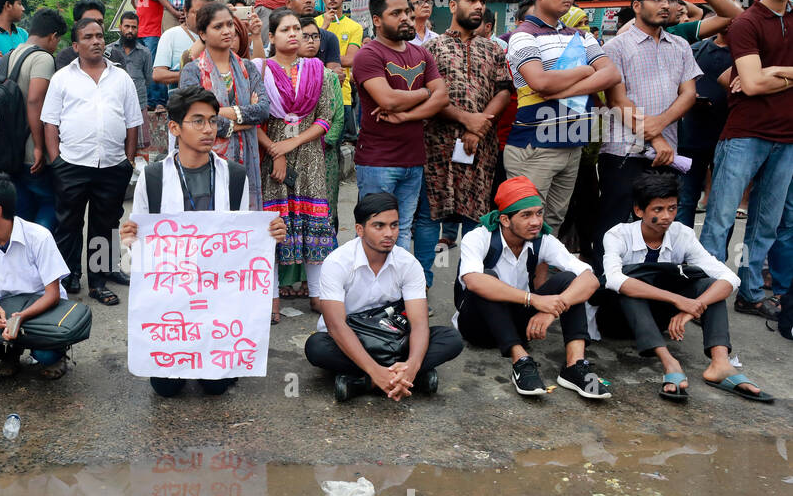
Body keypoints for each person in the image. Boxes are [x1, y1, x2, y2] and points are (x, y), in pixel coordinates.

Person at [120, 86, 287, 396]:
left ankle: (216, 357)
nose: (209, 129)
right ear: (174, 128)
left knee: (216, 386)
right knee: (166, 389)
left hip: (219, 297)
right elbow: (140, 247)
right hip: (172, 301)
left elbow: (244, 242)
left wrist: (270, 234)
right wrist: (130, 239)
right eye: (197, 121)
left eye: (212, 120)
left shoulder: (235, 176)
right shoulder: (153, 178)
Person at [602, 172, 770, 402]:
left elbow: (729, 278)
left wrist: (693, 306)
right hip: (617, 319)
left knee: (709, 286)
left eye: (672, 208)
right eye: (658, 210)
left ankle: (720, 363)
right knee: (631, 286)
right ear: (639, 211)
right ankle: (669, 361)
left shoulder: (683, 234)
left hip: (658, 316)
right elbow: (614, 280)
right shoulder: (618, 235)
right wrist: (677, 300)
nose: (667, 217)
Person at [700, 0, 793, 320]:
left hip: (787, 138)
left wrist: (774, 73)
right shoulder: (747, 22)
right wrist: (767, 77)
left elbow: (757, 79)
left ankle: (751, 293)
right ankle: (705, 294)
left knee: (765, 225)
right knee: (720, 220)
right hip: (744, 134)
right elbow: (751, 85)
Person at [455, 176, 608, 399]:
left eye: (538, 213)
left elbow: (590, 278)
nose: (536, 221)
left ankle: (575, 366)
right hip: (479, 325)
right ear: (505, 220)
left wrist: (553, 308)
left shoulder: (542, 239)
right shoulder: (478, 237)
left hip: (518, 320)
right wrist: (534, 300)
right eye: (526, 215)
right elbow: (473, 281)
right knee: (485, 279)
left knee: (568, 279)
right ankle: (521, 361)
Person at [305, 192, 464, 401]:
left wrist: (412, 366)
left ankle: (365, 383)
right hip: (352, 338)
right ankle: (405, 379)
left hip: (393, 338)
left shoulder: (408, 264)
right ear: (359, 230)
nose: (389, 233)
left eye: (394, 225)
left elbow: (419, 324)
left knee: (451, 339)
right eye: (379, 226)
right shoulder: (337, 263)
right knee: (316, 347)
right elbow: (336, 326)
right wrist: (377, 370)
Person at [505, 0, 622, 232]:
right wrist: (584, 70)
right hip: (535, 145)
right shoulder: (523, 36)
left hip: (572, 144)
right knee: (526, 224)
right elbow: (539, 81)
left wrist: (559, 90)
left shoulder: (581, 35)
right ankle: (517, 275)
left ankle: (542, 276)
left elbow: (611, 74)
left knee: (553, 223)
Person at [41, 18, 141, 304]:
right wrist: (56, 161)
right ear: (75, 45)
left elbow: (133, 122)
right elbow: (50, 122)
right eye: (88, 37)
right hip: (71, 165)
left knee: (105, 225)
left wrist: (128, 161)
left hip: (112, 166)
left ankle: (98, 283)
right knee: (68, 225)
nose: (96, 41)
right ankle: (67, 277)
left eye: (99, 35)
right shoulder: (62, 78)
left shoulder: (121, 78)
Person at [598, 0, 701, 253]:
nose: (666, 5)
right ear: (636, 6)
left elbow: (688, 94)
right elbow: (617, 100)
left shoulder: (680, 46)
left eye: (671, 0)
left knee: (658, 226)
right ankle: (606, 287)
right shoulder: (615, 47)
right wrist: (656, 137)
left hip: (666, 155)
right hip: (623, 152)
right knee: (614, 226)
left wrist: (660, 126)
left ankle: (650, 282)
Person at [421, 0, 513, 280]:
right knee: (430, 218)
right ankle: (421, 285)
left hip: (480, 149)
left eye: (482, 2)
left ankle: (471, 286)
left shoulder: (494, 50)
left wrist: (479, 124)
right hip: (438, 149)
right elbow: (427, 97)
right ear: (452, 5)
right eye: (472, 0)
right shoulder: (431, 48)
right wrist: (465, 119)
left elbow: (503, 90)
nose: (479, 7)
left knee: (477, 220)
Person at [251, 9, 339, 319]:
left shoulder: (319, 71)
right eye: (285, 29)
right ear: (271, 37)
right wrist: (278, 152)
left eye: (297, 29)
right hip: (272, 158)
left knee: (314, 225)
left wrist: (293, 143)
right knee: (273, 228)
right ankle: (271, 298)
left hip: (311, 157)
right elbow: (254, 119)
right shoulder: (259, 71)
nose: (294, 34)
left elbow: (326, 117)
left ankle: (317, 295)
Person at [352, 0, 449, 255]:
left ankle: (398, 291)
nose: (405, 17)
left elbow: (442, 98)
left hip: (414, 159)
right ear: (377, 20)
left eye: (407, 11)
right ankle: (371, 292)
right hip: (377, 161)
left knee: (403, 228)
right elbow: (388, 100)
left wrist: (407, 114)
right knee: (376, 228)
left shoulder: (422, 54)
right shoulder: (368, 55)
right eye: (396, 13)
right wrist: (425, 92)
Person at [0, 172, 74, 379]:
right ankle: (11, 351)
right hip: (8, 310)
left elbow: (52, 294)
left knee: (46, 355)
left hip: (43, 309)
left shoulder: (39, 237)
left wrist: (22, 318)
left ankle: (56, 354)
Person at [178, 2, 270, 210]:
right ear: (202, 34)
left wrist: (219, 113)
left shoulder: (247, 68)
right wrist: (245, 121)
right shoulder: (192, 72)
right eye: (218, 27)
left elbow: (263, 109)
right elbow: (195, 119)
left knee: (241, 225)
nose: (227, 31)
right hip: (204, 161)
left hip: (245, 160)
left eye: (229, 24)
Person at [5, 8, 63, 232]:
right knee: (49, 203)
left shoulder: (11, 54)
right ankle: (41, 256)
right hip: (32, 149)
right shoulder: (42, 58)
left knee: (23, 209)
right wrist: (40, 147)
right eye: (57, 41)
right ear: (53, 36)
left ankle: (24, 260)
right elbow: (35, 101)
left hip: (11, 150)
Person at [676, 29, 732, 228]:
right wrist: (689, 97)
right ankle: (682, 256)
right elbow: (677, 83)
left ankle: (714, 256)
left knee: (723, 206)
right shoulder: (696, 49)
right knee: (684, 200)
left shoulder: (748, 53)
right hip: (692, 137)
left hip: (731, 140)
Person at [297, 19, 344, 234]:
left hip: (324, 151)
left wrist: (322, 143)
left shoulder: (330, 76)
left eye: (315, 36)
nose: (311, 41)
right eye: (305, 36)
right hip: (293, 150)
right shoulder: (284, 74)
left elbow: (337, 117)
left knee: (326, 205)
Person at [317, 0, 364, 147]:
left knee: (333, 148)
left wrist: (324, 56)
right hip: (315, 93)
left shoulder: (355, 27)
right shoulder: (314, 24)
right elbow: (307, 56)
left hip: (342, 95)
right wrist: (323, 28)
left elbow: (351, 59)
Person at [152, 0, 213, 99]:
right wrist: (191, 75)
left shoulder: (217, 35)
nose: (203, 17)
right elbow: (158, 74)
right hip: (182, 104)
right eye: (197, 13)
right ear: (185, 11)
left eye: (207, 12)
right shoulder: (170, 36)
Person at [130, 0, 167, 111]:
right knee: (143, 66)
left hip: (154, 28)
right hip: (140, 28)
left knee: (155, 65)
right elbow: (137, 5)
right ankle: (148, 102)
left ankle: (159, 101)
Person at [286, 0, 342, 74]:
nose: (308, 0)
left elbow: (335, 77)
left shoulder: (329, 37)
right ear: (288, 3)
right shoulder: (282, 34)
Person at [106, 11, 154, 116]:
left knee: (140, 133)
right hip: (114, 104)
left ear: (138, 29)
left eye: (134, 27)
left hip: (139, 105)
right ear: (120, 27)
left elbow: (148, 79)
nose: (130, 31)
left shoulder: (145, 52)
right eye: (127, 26)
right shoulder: (108, 51)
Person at [54, 0, 106, 71]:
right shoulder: (65, 57)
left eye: (100, 22)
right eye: (88, 21)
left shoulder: (115, 55)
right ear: (76, 24)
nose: (95, 25)